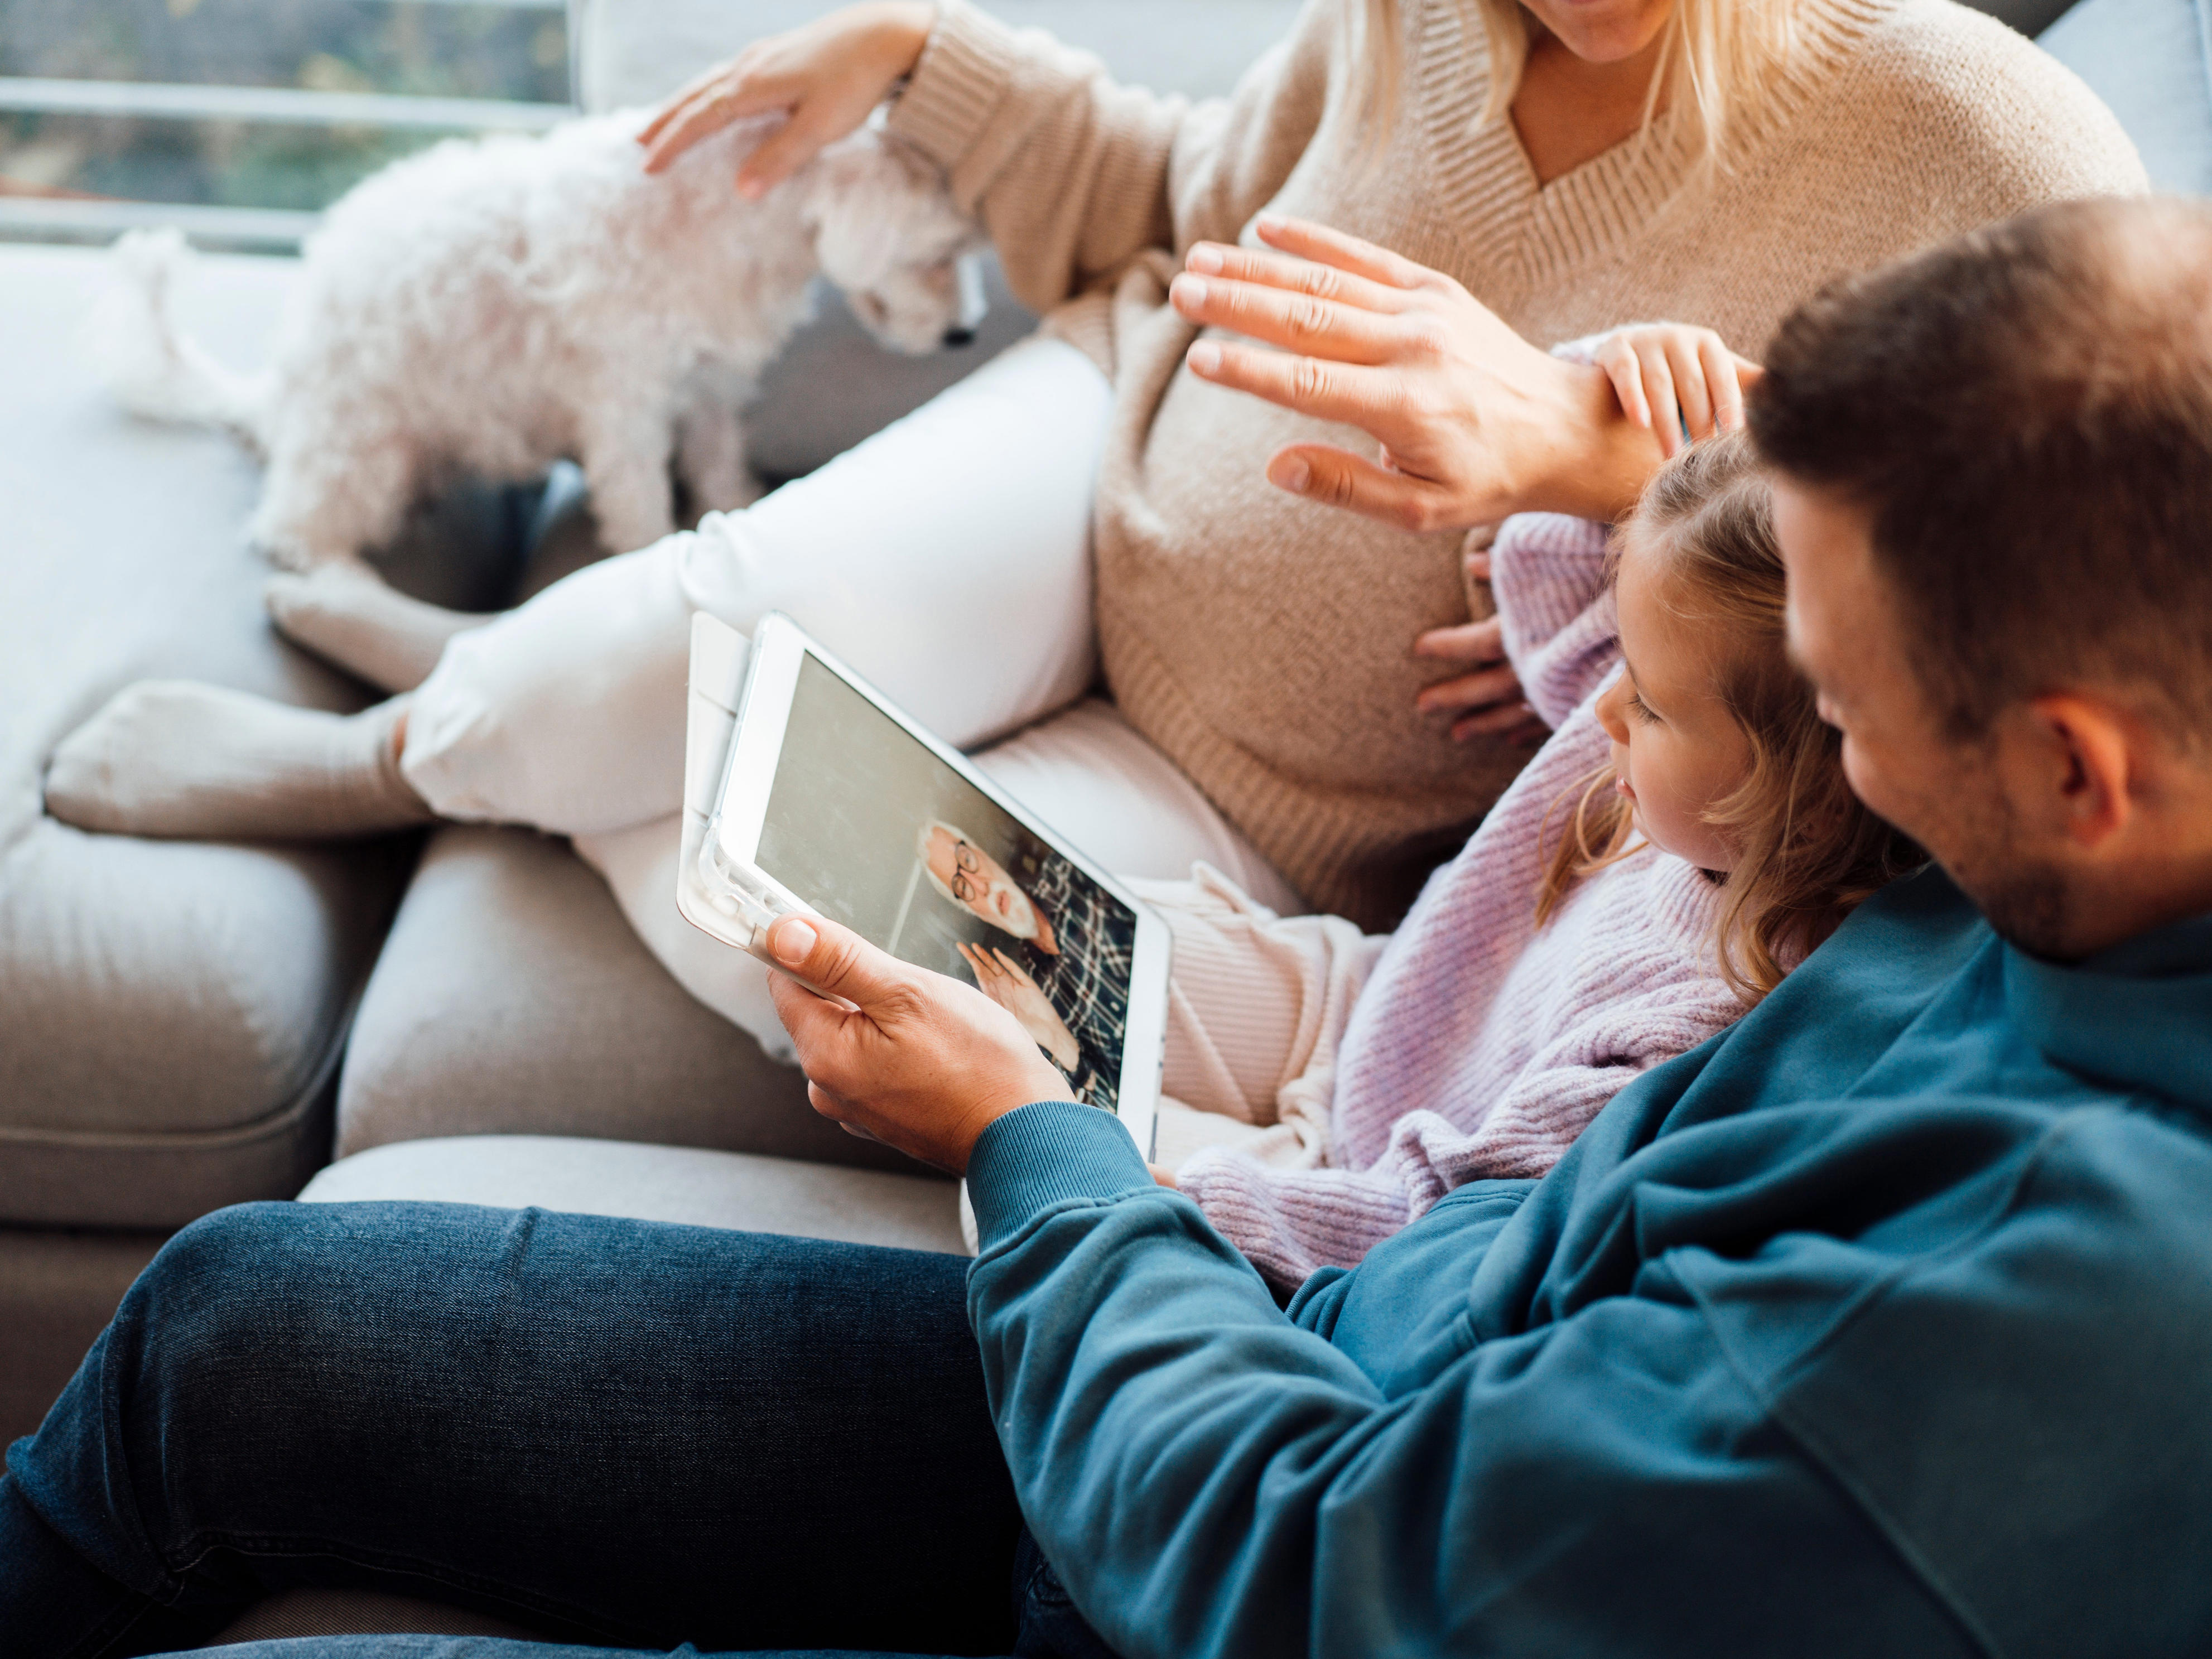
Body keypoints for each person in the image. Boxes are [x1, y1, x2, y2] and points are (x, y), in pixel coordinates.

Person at [11, 197, 2212, 1659]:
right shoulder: (2056, 884)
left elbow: (1290, 1559)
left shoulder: (2022, 1295)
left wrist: (1033, 1140)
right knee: (237, 1324)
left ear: (2067, 763)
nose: (1816, 731)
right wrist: (1594, 467)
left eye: (1835, 699)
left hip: (1219, 1516)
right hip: (1232, 1382)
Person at [40, 0, 2142, 1098]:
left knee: (872, 973)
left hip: (1271, 812)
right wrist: (925, 58)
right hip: (1107, 436)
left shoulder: (1972, 137)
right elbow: (1186, 192)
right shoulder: (1425, 17)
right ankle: (395, 746)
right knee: (695, 649)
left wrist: (1610, 507)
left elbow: (2032, 550)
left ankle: (556, 738)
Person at [1148, 414, 1922, 1290]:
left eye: (1652, 707)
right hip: (1354, 999)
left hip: (1333, 1185)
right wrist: (1603, 399)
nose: (1605, 708)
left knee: (1038, 1146)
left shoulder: (1691, 1037)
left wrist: (1205, 1202)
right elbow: (1541, 564)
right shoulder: (1679, 708)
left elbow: (1433, 1228)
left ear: (1810, 803)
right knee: (1028, 921)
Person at [921, 818, 1135, 1108]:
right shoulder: (1023, 1006)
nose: (980, 885)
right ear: (972, 910)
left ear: (983, 854)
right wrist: (1058, 1039)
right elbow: (1112, 1118)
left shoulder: (1068, 872)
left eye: (967, 859)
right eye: (962, 887)